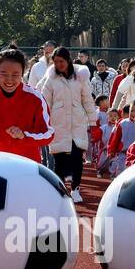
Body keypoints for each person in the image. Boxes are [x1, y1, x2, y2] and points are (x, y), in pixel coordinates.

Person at [0, 48, 53, 162]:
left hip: (27, 164)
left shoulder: (35, 97)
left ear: (23, 72)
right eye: (3, 74)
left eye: (15, 74)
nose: (9, 80)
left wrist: (24, 136)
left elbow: (48, 134)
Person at [41, 46, 96, 203]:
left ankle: (75, 189)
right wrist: (43, 122)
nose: (59, 64)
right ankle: (60, 191)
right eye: (56, 62)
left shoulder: (80, 77)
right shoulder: (51, 79)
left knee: (77, 157)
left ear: (68, 60)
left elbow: (87, 100)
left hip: (77, 122)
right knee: (59, 160)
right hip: (58, 123)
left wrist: (93, 122)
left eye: (61, 61)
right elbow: (44, 102)